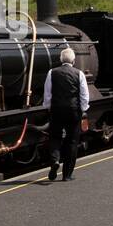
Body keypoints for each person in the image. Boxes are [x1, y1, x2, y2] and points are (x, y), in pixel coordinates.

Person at [42, 46, 89, 181]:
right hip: (73, 111)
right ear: (73, 61)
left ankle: (55, 160)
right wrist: (83, 110)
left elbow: (47, 93)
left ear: (61, 60)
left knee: (55, 137)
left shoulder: (52, 73)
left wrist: (48, 107)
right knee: (72, 141)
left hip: (57, 110)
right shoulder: (79, 74)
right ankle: (67, 175)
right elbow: (84, 96)